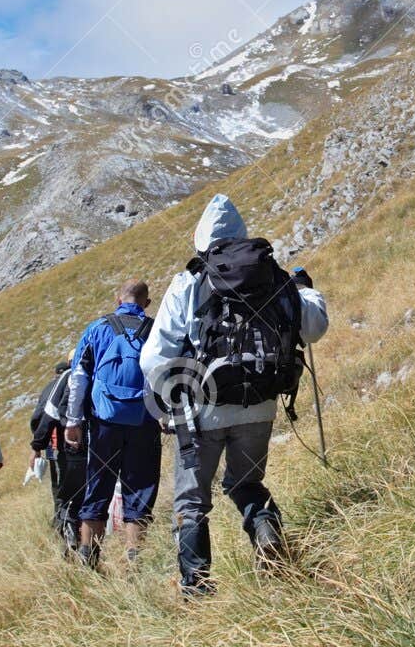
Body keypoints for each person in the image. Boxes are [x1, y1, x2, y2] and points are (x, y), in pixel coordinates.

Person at [141, 195, 329, 596]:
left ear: (201, 240)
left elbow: (154, 357)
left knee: (192, 502)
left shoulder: (190, 282)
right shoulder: (275, 277)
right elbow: (312, 328)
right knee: (246, 484)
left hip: (201, 410)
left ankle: (197, 588)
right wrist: (306, 292)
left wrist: (172, 394)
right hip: (259, 403)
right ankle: (267, 536)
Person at [62, 281, 160, 569]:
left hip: (104, 422)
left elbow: (78, 377)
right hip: (144, 420)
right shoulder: (156, 329)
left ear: (118, 299)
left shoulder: (97, 328)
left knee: (98, 484)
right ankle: (134, 558)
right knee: (140, 485)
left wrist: (73, 420)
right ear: (147, 303)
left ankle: (88, 554)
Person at [32, 364, 86, 553]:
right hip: (95, 446)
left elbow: (42, 415)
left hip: (62, 448)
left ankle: (64, 529)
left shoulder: (55, 384)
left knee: (62, 490)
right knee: (88, 492)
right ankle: (84, 536)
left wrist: (38, 445)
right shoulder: (91, 374)